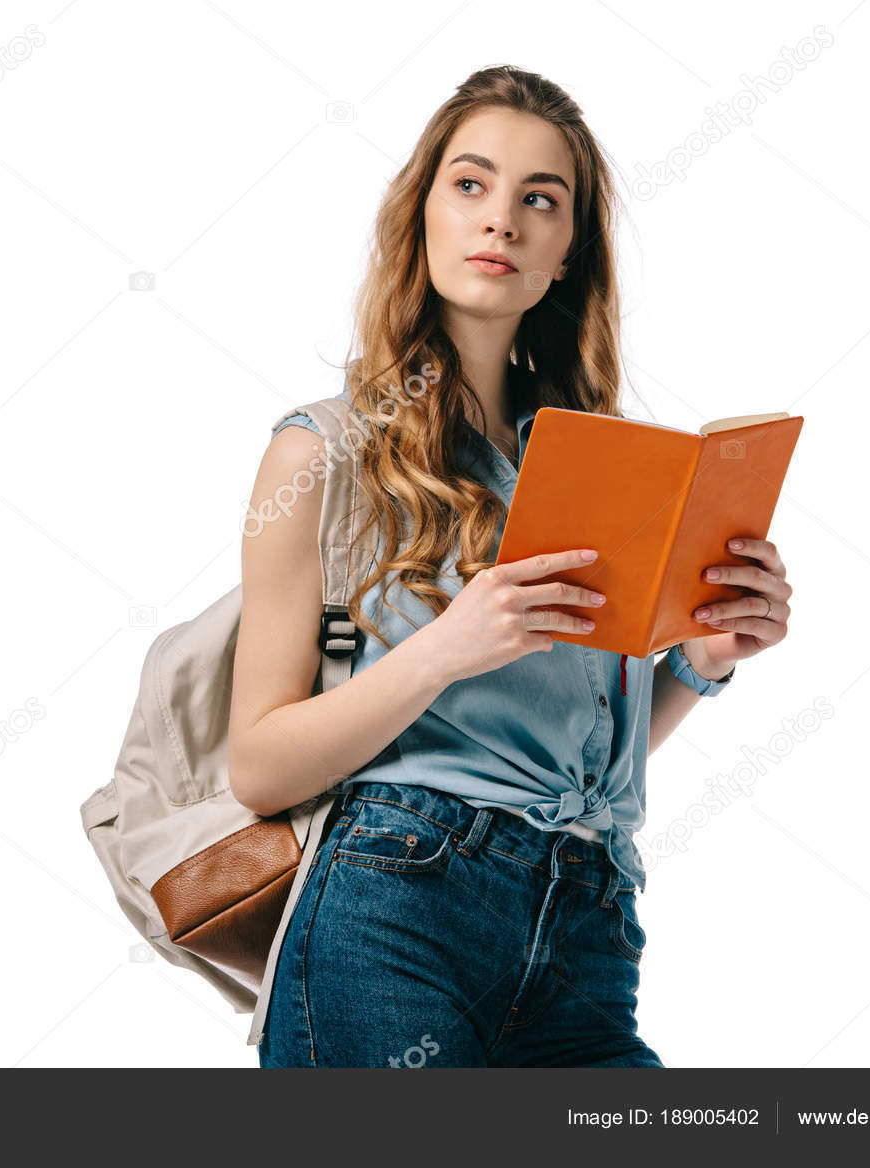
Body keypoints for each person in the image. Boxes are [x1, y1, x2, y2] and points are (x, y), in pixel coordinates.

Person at [229, 65, 793, 1068]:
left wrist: (702, 661)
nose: (502, 219)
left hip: (587, 928)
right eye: (471, 184)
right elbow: (258, 765)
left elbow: (571, 757)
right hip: (396, 908)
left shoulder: (597, 469)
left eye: (541, 199)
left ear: (568, 251)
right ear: (421, 213)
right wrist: (447, 648)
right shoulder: (322, 455)